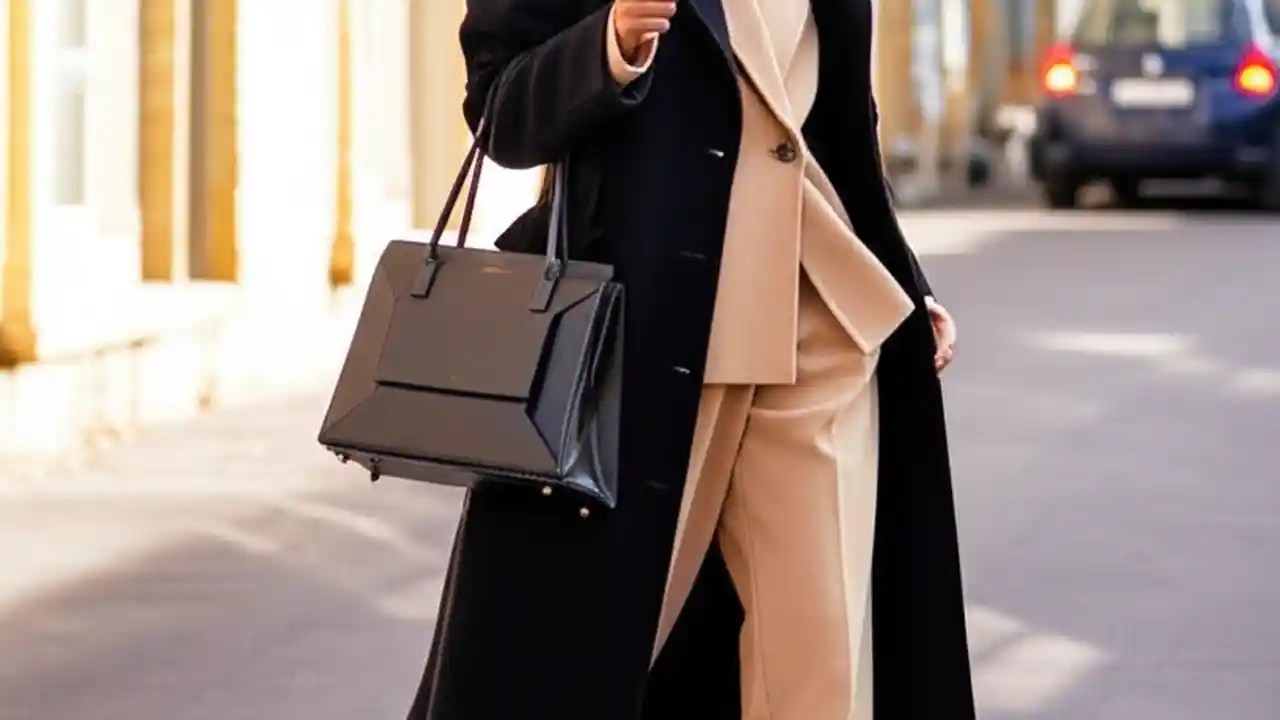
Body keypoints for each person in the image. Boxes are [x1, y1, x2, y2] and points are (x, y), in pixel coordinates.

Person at [408, 0, 975, 718]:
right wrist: (608, 47)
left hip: (819, 327)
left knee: (820, 663)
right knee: (581, 660)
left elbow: (838, 118)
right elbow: (500, 110)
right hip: (642, 336)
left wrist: (900, 276)